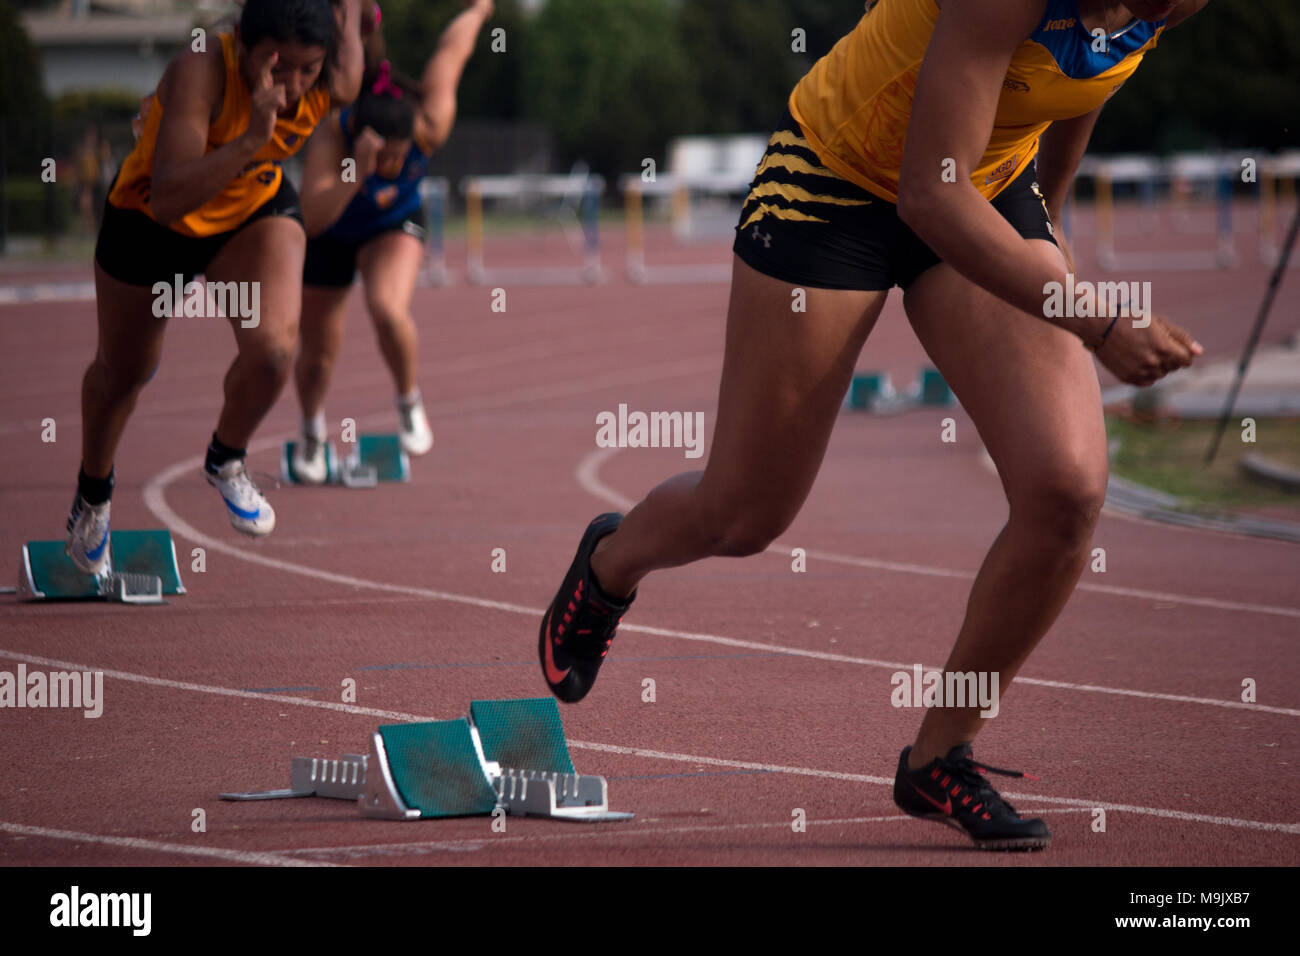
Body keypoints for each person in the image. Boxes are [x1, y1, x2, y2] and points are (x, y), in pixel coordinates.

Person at [537, 0, 1208, 851]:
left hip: (988, 189)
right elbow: (931, 197)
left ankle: (941, 755)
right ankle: (610, 562)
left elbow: (1078, 90)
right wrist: (1094, 319)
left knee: (1067, 490)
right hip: (838, 185)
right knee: (744, 515)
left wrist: (1051, 241)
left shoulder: (1168, 5)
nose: (1150, 8)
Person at [66, 0, 367, 574]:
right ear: (246, 44)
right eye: (280, 69)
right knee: (122, 372)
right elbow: (171, 197)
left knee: (275, 351)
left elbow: (346, 67)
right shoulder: (201, 69)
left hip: (249, 212)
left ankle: (226, 458)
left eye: (309, 69)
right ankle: (93, 492)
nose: (296, 86)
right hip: (154, 224)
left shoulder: (330, 78)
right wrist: (254, 137)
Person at [291, 0, 493, 481]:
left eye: (397, 160)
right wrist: (355, 171)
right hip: (333, 228)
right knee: (318, 349)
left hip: (393, 224)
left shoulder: (429, 122)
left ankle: (408, 400)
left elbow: (451, 51)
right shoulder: (331, 139)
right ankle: (312, 430)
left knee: (386, 307)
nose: (391, 168)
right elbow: (312, 219)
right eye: (383, 160)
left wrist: (479, 11)